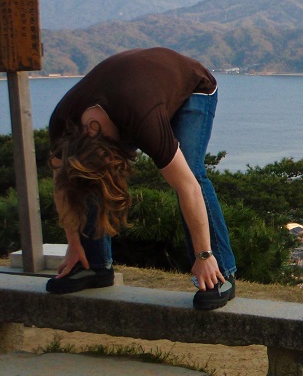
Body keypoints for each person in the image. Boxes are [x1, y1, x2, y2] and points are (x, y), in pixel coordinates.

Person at [46, 47, 238, 310]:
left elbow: (188, 188)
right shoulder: (62, 124)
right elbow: (63, 185)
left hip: (193, 86)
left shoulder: (143, 120)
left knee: (191, 172)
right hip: (137, 87)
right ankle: (93, 264)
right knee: (87, 177)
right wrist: (73, 243)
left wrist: (203, 254)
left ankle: (220, 272)